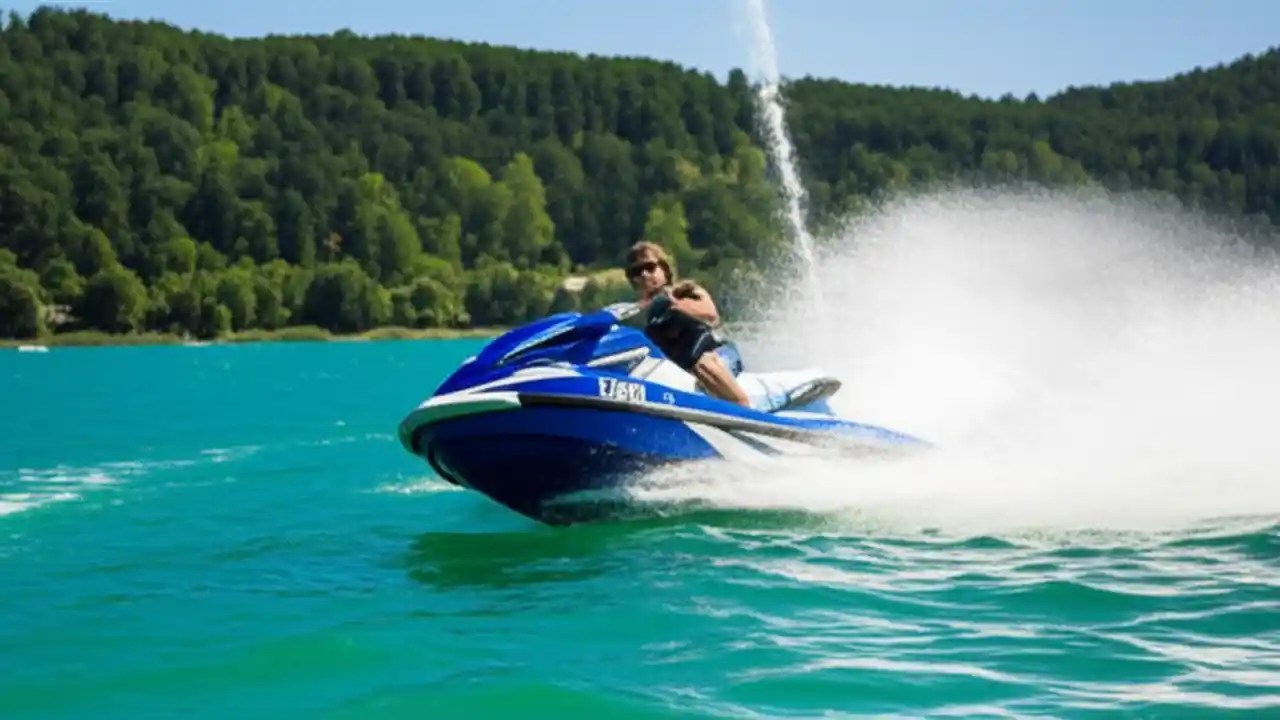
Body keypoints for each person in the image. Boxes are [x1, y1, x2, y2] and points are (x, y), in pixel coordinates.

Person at [622, 241, 751, 407]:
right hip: (682, 366)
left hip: (717, 354)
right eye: (636, 272)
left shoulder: (686, 290)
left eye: (650, 267)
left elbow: (711, 314)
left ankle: (744, 407)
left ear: (664, 269)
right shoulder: (639, 313)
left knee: (702, 365)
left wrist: (672, 303)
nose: (644, 275)